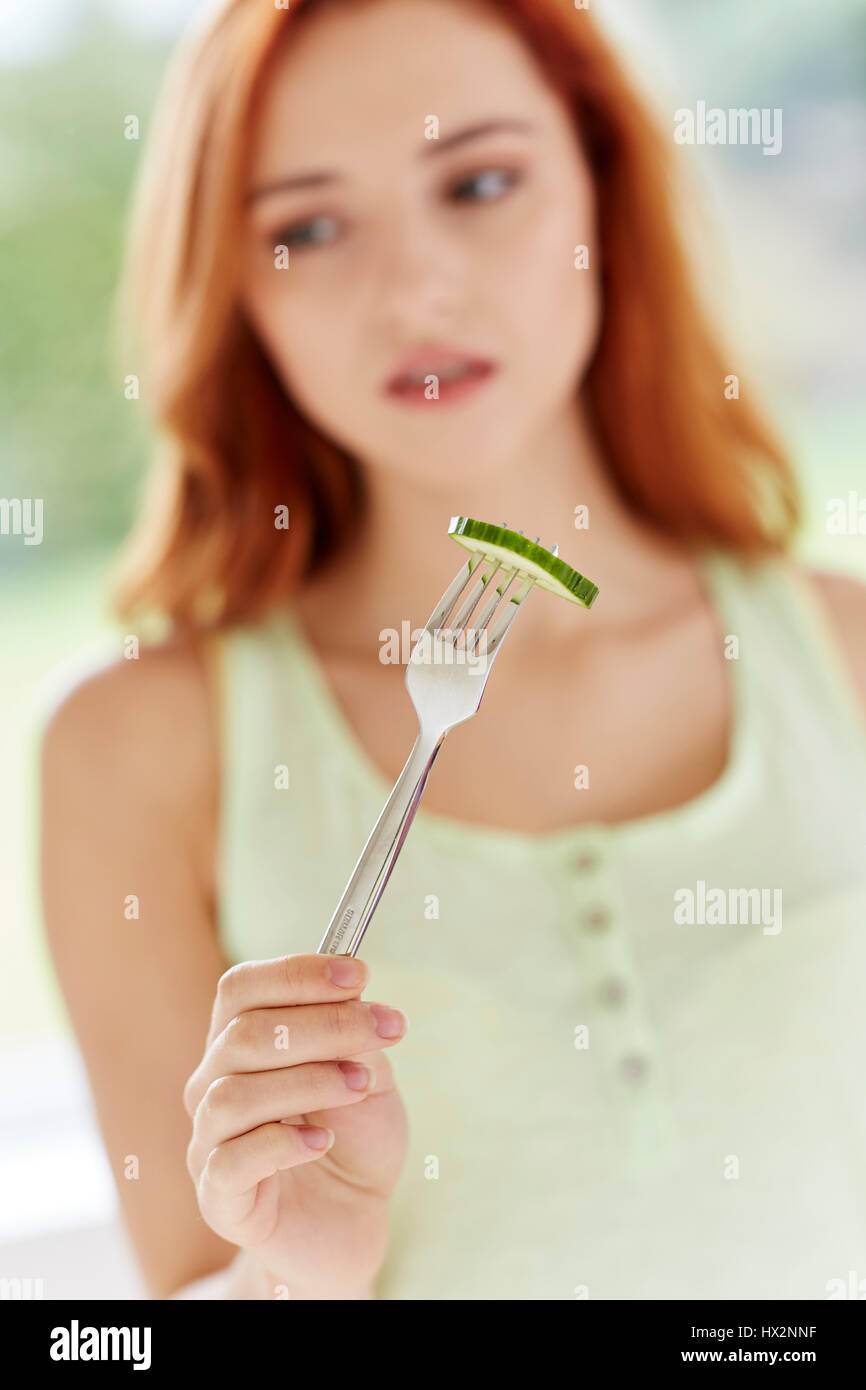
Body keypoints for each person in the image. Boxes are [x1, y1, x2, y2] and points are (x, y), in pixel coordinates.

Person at [40, 0, 866, 1301]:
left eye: (480, 181)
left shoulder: (846, 650)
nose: (416, 288)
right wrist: (295, 1271)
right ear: (236, 288)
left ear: (600, 188)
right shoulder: (133, 747)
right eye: (305, 227)